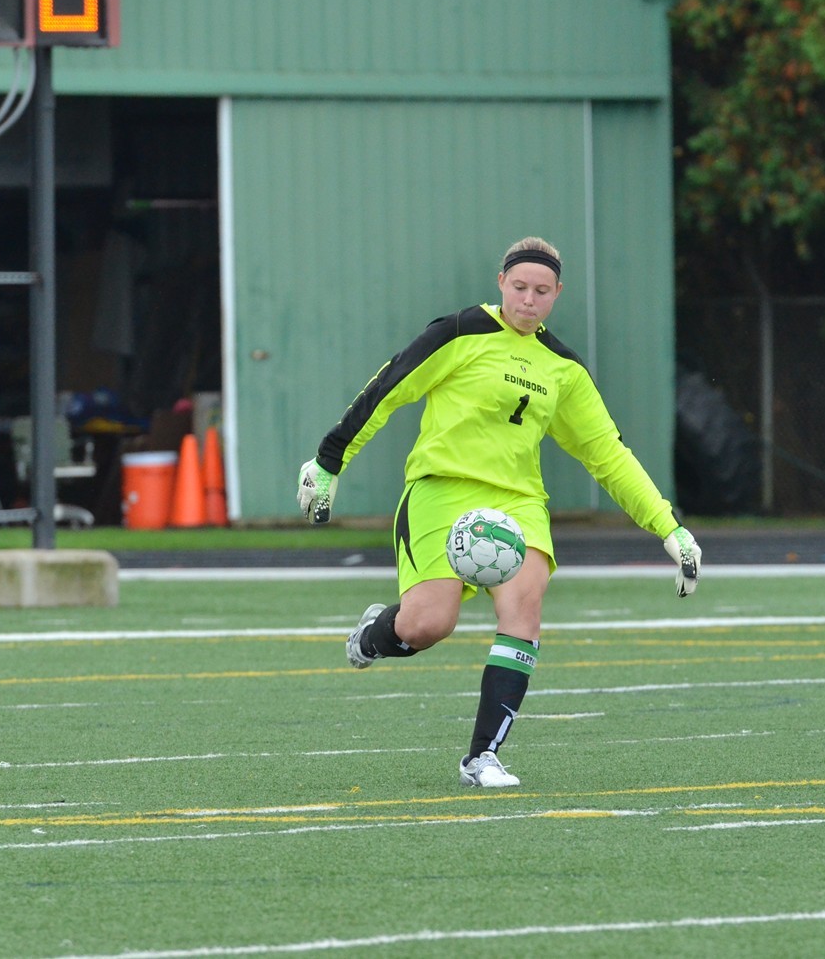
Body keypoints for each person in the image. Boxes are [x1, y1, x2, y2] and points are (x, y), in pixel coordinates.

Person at [295, 237, 702, 788]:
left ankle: (482, 757)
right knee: (428, 624)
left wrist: (669, 528)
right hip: (441, 491)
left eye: (542, 291)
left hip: (517, 504)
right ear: (501, 283)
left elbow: (608, 455)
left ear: (558, 293)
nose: (529, 300)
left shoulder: (564, 369)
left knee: (524, 611)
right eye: (520, 287)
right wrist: (329, 461)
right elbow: (388, 388)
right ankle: (373, 635)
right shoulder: (460, 332)